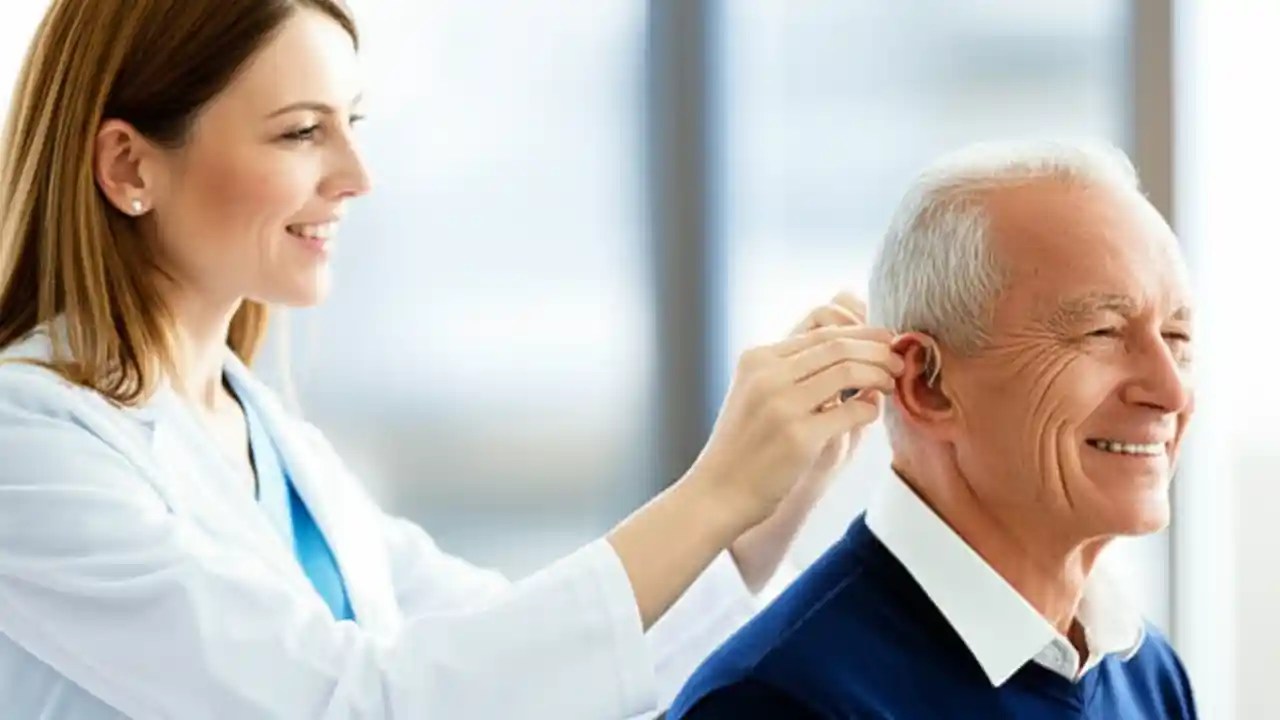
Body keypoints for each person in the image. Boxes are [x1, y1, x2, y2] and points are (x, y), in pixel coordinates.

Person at [0, 1, 904, 718]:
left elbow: (517, 666)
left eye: (350, 123)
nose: (357, 174)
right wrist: (715, 491)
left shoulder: (271, 444)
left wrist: (758, 520)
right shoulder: (28, 445)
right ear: (128, 167)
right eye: (300, 132)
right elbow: (352, 703)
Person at [667, 141, 1199, 719]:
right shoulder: (781, 702)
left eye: (1177, 339)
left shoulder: (1147, 674)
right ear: (929, 385)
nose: (1170, 392)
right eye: (1101, 332)